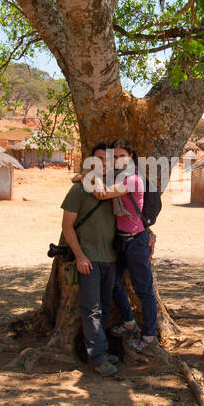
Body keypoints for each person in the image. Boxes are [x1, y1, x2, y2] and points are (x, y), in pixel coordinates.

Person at [60, 142, 122, 375]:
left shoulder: (116, 189)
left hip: (111, 259)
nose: (104, 164)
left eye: (108, 160)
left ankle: (103, 350)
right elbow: (67, 226)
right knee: (92, 309)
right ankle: (97, 357)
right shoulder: (79, 190)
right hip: (89, 259)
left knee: (106, 306)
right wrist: (80, 256)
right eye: (99, 160)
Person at [108, 139, 159, 351]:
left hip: (136, 241)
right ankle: (129, 323)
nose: (117, 159)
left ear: (131, 156)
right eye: (114, 156)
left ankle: (149, 336)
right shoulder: (116, 178)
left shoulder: (133, 179)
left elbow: (103, 193)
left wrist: (84, 178)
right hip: (120, 240)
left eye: (122, 155)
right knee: (111, 283)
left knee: (144, 290)